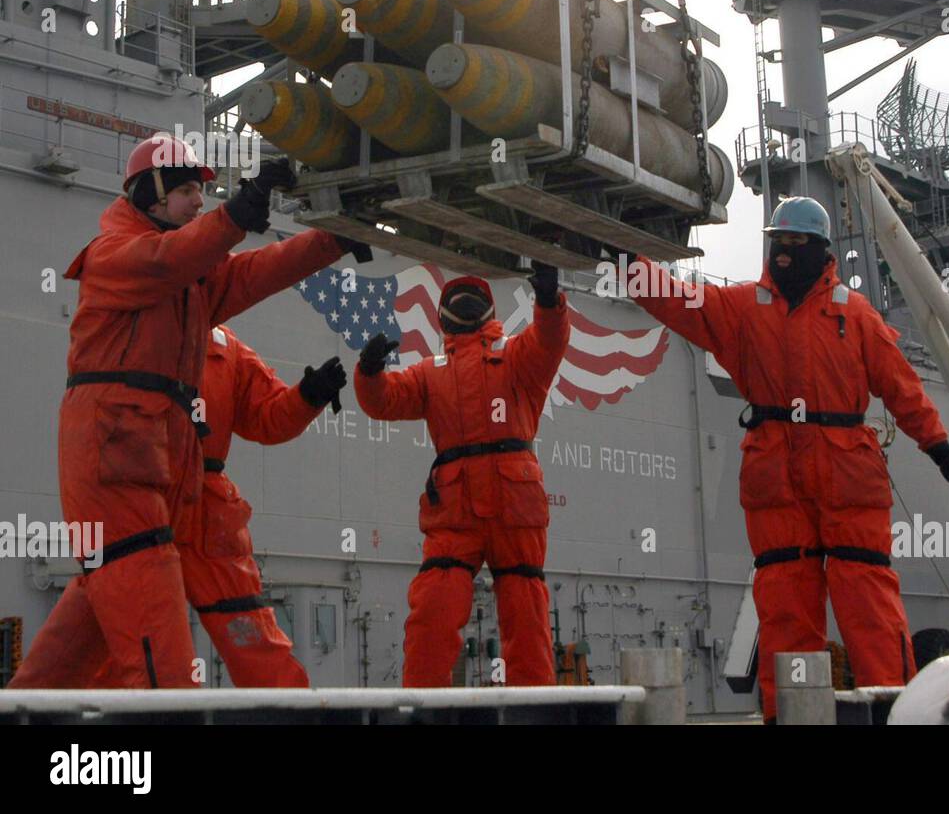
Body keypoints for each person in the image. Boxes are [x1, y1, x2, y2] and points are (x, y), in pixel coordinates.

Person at [9, 136, 363, 689]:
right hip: (114, 459)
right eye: (187, 190)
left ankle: (29, 708)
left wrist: (332, 241)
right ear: (149, 195)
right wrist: (232, 218)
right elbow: (168, 261)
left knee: (97, 610)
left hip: (153, 460)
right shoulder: (114, 257)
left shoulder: (186, 280)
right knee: (159, 647)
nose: (199, 200)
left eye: (203, 191)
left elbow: (251, 274)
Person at [610, 196, 949, 721]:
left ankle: (891, 710)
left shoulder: (855, 317)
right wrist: (627, 262)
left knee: (867, 598)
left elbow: (904, 392)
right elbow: (677, 301)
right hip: (777, 473)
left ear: (821, 251)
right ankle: (788, 714)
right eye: (777, 241)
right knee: (785, 605)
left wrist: (943, 455)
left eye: (795, 243)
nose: (784, 252)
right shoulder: (741, 309)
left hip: (845, 472)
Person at [90, 325, 348, 687]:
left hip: (205, 510)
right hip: (142, 497)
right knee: (123, 635)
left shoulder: (227, 351)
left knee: (250, 632)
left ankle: (288, 712)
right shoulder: (133, 323)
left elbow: (267, 416)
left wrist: (308, 395)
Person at [353, 264, 568, 687]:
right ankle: (425, 707)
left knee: (524, 615)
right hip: (473, 508)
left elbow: (550, 341)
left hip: (498, 507)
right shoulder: (434, 372)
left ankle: (532, 708)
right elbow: (385, 401)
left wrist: (549, 304)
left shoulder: (516, 356)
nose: (464, 300)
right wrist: (370, 373)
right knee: (435, 610)